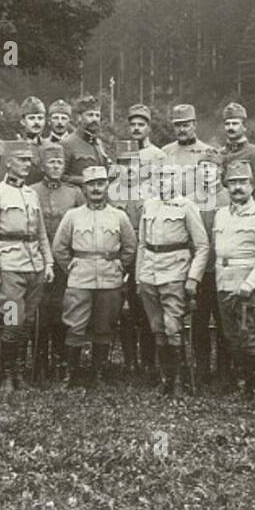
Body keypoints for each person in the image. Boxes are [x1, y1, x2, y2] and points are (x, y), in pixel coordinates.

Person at [0, 142, 55, 391]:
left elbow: (41, 233)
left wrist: (49, 262)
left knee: (28, 320)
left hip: (33, 268)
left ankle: (20, 373)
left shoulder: (31, 194)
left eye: (29, 160)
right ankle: (7, 376)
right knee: (12, 320)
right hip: (9, 268)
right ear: (8, 162)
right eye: (21, 159)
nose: (27, 164)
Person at [52, 166, 137, 388]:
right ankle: (71, 374)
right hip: (80, 277)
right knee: (75, 325)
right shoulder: (73, 216)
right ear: (84, 188)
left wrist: (120, 266)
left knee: (104, 325)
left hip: (110, 278)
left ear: (107, 186)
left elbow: (130, 247)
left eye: (100, 183)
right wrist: (72, 268)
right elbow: (59, 248)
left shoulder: (119, 216)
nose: (96, 188)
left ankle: (98, 373)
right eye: (91, 184)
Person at [136, 163, 210, 397]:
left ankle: (179, 381)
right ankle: (165, 379)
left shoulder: (187, 207)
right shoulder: (149, 205)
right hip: (149, 271)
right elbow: (141, 243)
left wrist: (193, 278)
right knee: (157, 326)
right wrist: (139, 276)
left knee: (172, 326)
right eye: (158, 178)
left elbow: (202, 246)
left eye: (168, 178)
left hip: (175, 271)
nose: (162, 182)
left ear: (178, 181)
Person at [212, 160, 255, 395]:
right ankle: (241, 381)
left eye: (242, 182)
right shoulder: (220, 215)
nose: (237, 188)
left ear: (252, 185)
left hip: (251, 286)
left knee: (252, 334)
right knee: (232, 334)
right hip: (225, 282)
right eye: (232, 183)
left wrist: (251, 283)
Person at [113, 104, 166, 381]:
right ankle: (129, 361)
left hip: (147, 250)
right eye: (132, 124)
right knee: (124, 310)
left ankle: (149, 361)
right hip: (122, 253)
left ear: (149, 127)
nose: (136, 128)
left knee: (146, 306)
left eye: (141, 124)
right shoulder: (115, 189)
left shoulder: (159, 158)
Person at [31, 142, 82, 383]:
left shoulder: (74, 193)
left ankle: (62, 360)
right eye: (51, 162)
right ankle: (39, 360)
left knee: (62, 310)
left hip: (64, 262)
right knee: (34, 311)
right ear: (42, 165)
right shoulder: (31, 192)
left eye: (60, 162)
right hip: (35, 261)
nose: (55, 166)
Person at [188, 145, 229, 386]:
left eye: (211, 168)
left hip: (224, 271)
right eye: (202, 168)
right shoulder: (191, 200)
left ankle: (226, 370)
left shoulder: (228, 197)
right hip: (199, 271)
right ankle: (202, 368)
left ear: (220, 171)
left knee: (225, 322)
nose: (206, 172)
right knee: (199, 322)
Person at [218, 102, 255, 204]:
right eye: (227, 124)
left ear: (244, 126)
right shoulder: (220, 154)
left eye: (235, 124)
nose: (230, 128)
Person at [62, 95, 116, 187]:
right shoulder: (67, 143)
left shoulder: (99, 143)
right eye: (90, 115)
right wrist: (87, 179)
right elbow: (60, 176)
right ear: (79, 117)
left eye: (97, 115)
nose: (94, 119)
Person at [162, 103, 213, 186]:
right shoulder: (165, 151)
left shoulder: (208, 152)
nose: (181, 130)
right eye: (177, 126)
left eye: (186, 126)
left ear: (195, 125)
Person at [17, 96, 48, 183]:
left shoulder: (50, 146)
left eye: (40, 118)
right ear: (23, 121)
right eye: (32, 118)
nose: (36, 122)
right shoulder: (15, 147)